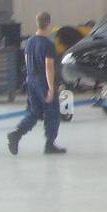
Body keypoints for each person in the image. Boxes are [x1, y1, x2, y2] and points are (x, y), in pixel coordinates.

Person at [8, 11, 65, 155]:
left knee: (34, 112)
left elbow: (27, 60)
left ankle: (17, 134)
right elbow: (49, 67)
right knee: (52, 113)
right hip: (42, 81)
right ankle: (49, 144)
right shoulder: (48, 44)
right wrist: (51, 88)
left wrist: (31, 78)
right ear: (49, 24)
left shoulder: (30, 41)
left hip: (31, 79)